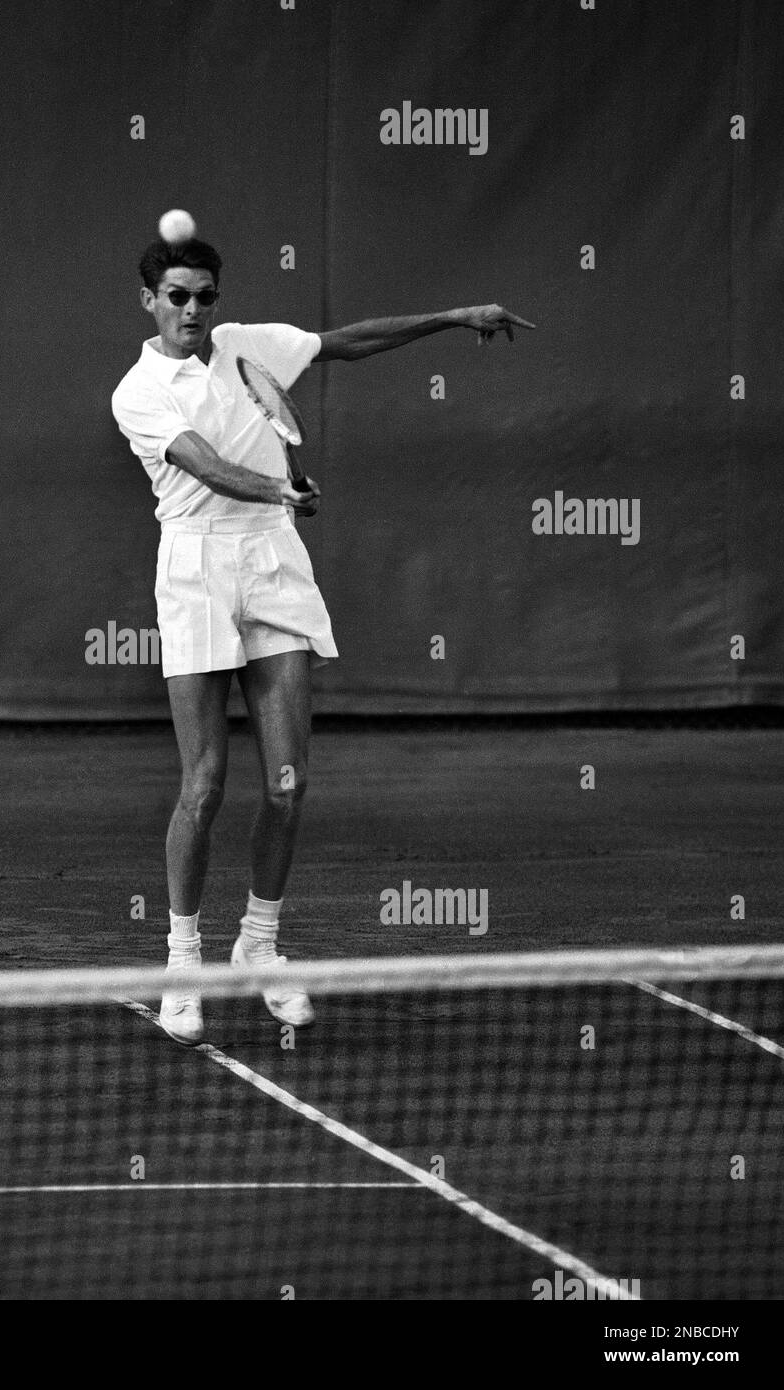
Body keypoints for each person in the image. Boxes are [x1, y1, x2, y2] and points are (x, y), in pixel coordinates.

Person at [111, 235, 534, 1044]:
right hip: (196, 572)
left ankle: (260, 946)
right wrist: (278, 484)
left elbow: (352, 340)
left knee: (287, 783)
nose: (193, 309)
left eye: (205, 295)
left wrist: (453, 318)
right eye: (177, 296)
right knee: (203, 783)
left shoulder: (249, 349)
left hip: (272, 560)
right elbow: (202, 464)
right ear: (150, 301)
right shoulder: (138, 391)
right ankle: (182, 962)